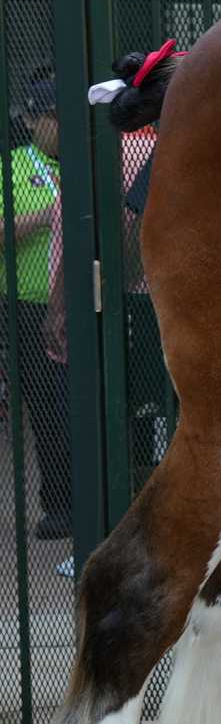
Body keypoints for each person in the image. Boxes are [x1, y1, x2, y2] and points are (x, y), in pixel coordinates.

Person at [4, 78, 70, 543]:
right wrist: (47, 217)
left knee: (85, 401)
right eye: (53, 117)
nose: (61, 128)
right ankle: (61, 504)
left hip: (86, 305)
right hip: (29, 305)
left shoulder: (90, 164)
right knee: (46, 406)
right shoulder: (10, 167)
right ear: (32, 120)